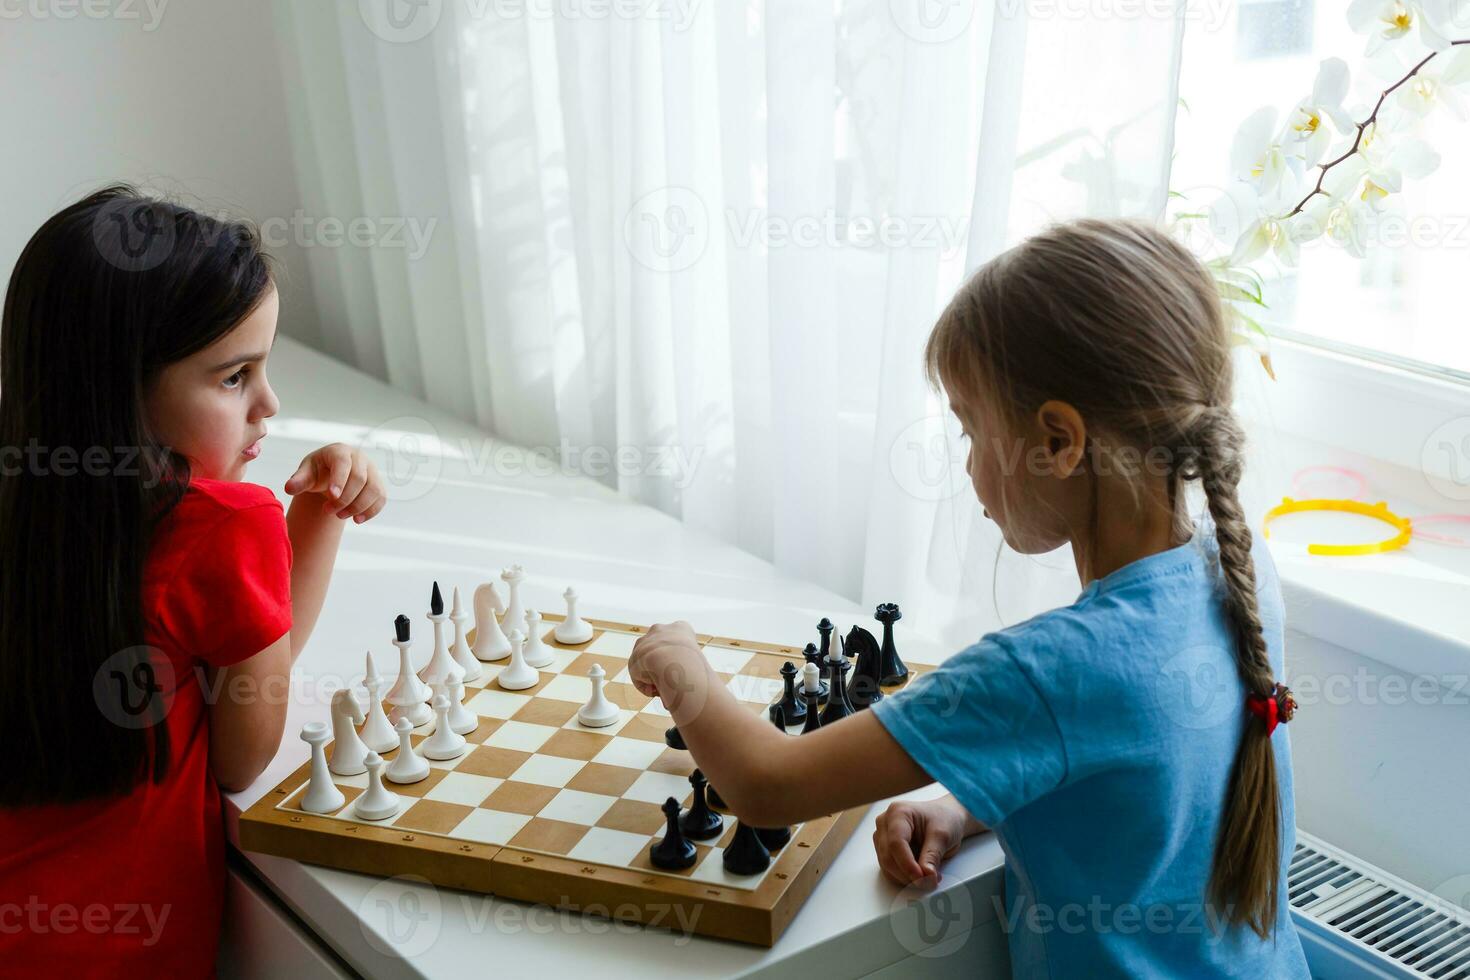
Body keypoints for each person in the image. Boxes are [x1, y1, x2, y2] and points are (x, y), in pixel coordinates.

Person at [628, 218, 1309, 976]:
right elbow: (1140, 768)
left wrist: (679, 663)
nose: (969, 465)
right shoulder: (1241, 571)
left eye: (969, 430)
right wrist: (965, 805)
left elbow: (766, 784)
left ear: (1057, 441)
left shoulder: (1049, 669)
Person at [0, 186, 386, 976]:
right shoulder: (219, 523)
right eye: (235, 377)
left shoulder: (26, 502)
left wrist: (306, 526)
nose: (270, 405)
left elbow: (234, 651)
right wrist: (291, 531)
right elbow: (242, 754)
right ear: (118, 395)